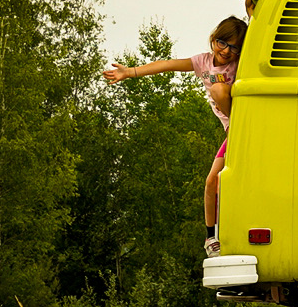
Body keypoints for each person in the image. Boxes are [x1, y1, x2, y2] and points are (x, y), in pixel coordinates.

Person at [103, 13, 249, 257]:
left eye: (234, 47)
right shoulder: (202, 62)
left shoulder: (241, 63)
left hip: (243, 123)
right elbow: (167, 65)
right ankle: (210, 237)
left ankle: (239, 126)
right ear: (214, 39)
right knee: (211, 182)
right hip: (231, 133)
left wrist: (251, 12)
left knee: (219, 89)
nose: (226, 51)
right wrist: (130, 72)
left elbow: (259, 42)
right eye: (223, 43)